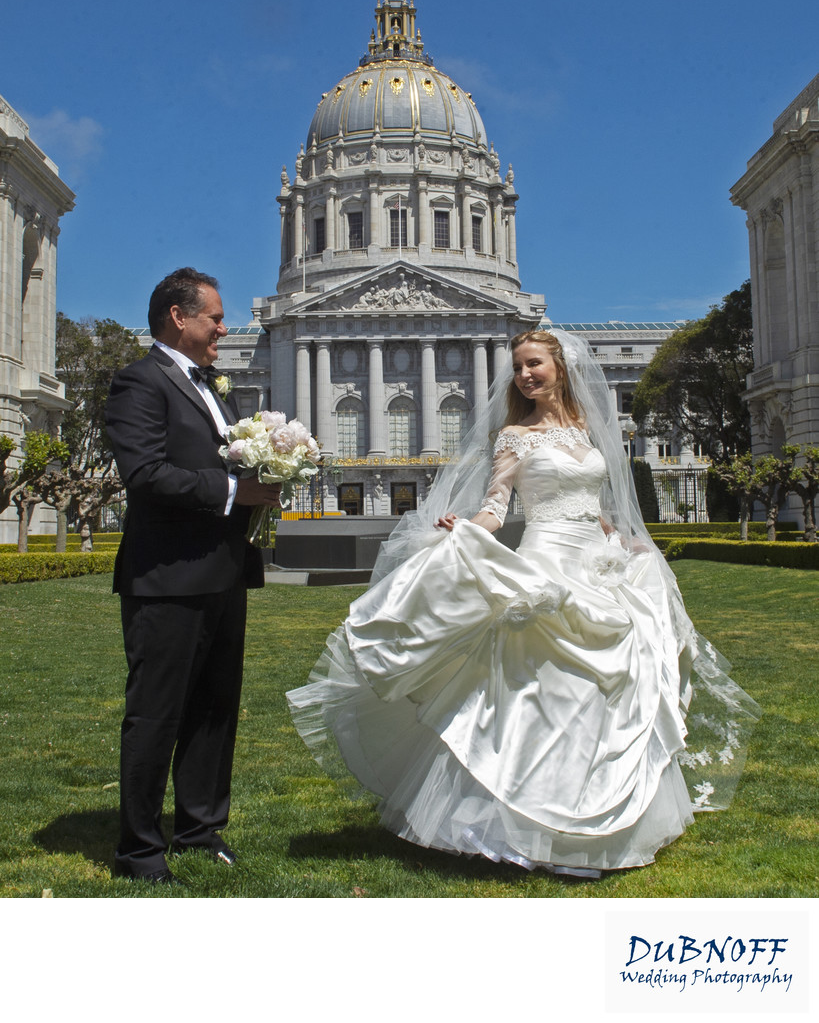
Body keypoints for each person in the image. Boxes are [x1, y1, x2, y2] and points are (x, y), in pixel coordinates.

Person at [287, 329, 759, 877]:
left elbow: (597, 506)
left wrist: (623, 544)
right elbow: (496, 506)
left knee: (606, 688)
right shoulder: (513, 436)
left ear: (562, 366)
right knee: (540, 689)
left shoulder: (588, 431)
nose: (524, 374)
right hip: (545, 564)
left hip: (595, 565)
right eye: (517, 367)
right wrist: (467, 527)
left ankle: (592, 805)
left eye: (533, 363)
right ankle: (510, 819)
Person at [105, 268, 280, 883]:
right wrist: (238, 491)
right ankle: (140, 850)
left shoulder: (215, 387)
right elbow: (146, 474)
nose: (223, 328)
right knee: (157, 713)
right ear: (179, 318)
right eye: (214, 318)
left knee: (214, 709)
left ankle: (201, 829)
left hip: (223, 571)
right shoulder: (139, 383)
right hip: (168, 575)